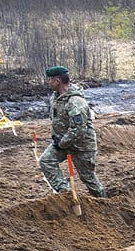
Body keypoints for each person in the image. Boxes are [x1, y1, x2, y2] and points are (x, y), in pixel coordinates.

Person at [40, 66, 106, 198]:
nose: (48, 82)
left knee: (88, 178)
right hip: (63, 142)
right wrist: (58, 140)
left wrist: (61, 143)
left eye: (50, 79)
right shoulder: (55, 97)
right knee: (46, 161)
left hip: (82, 146)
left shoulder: (76, 102)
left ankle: (104, 202)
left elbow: (79, 130)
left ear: (57, 81)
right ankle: (66, 194)